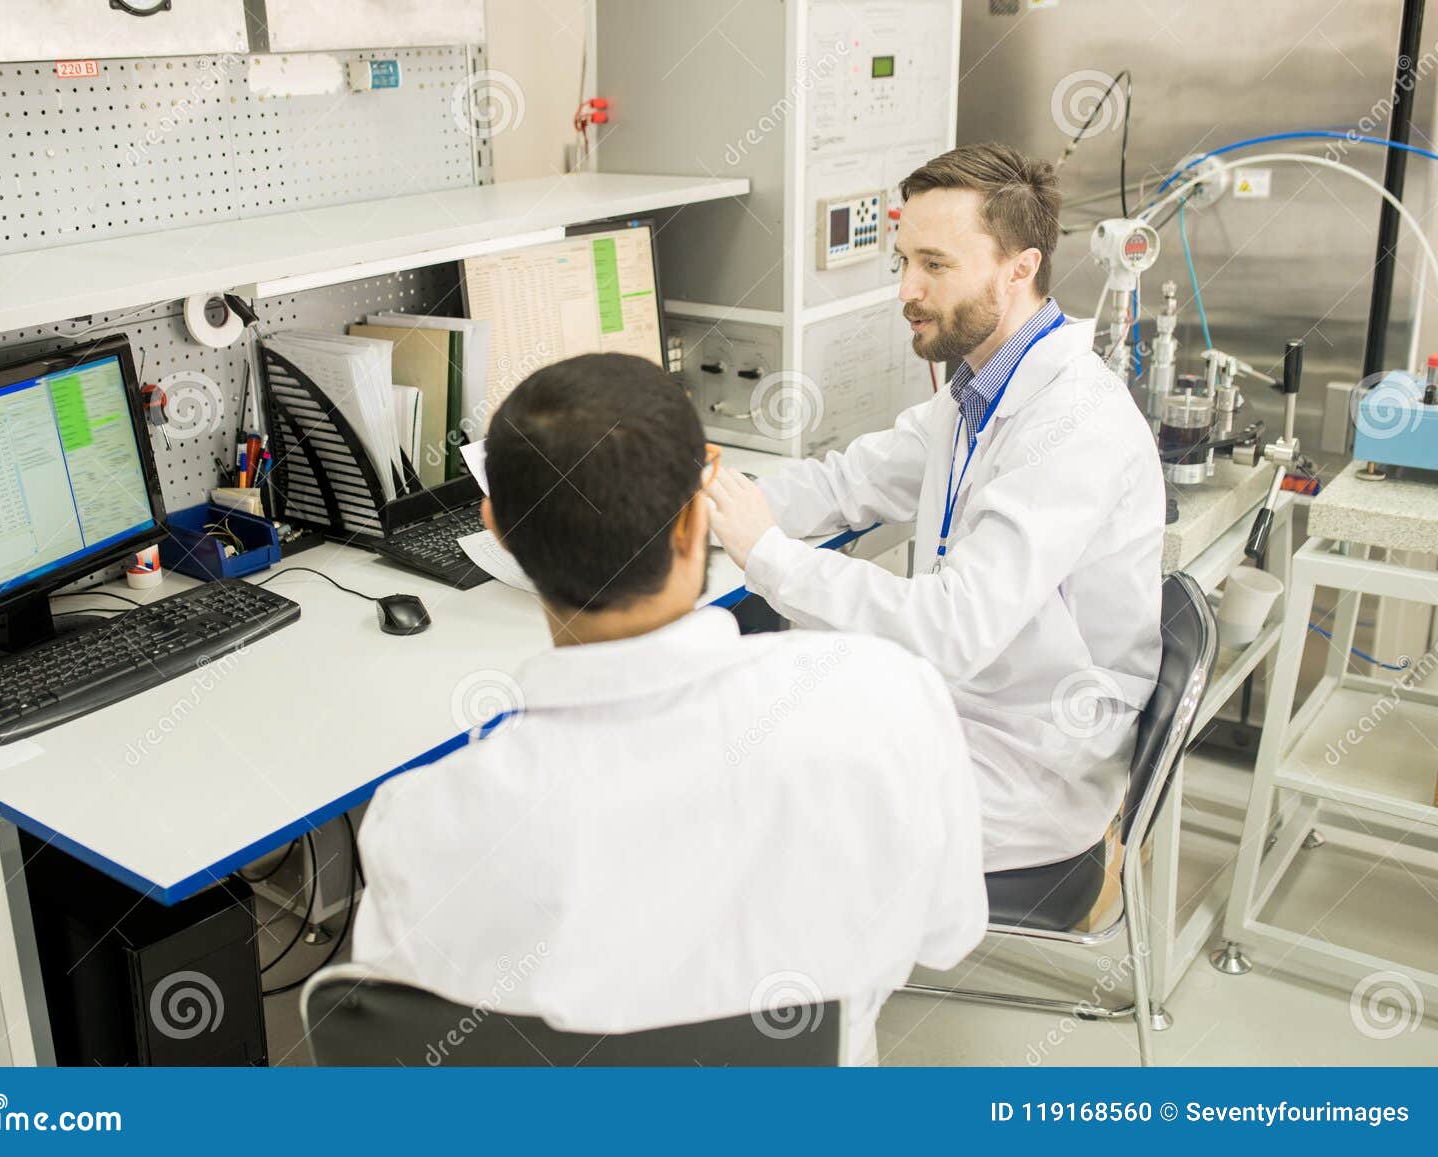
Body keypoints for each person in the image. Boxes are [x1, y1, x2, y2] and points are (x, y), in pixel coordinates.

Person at [351, 352, 986, 1066]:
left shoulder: (420, 824)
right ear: (697, 520)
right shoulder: (887, 701)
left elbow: (402, 1058)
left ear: (500, 531)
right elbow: (947, 933)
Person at [706, 142, 1165, 873]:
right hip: (969, 706)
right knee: (742, 716)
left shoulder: (1074, 425)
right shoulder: (981, 390)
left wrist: (768, 554)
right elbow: (844, 483)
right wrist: (701, 497)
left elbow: (953, 628)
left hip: (1031, 762)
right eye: (903, 261)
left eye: (935, 265)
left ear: (1021, 268)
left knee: (750, 796)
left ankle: (806, 981)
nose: (906, 290)